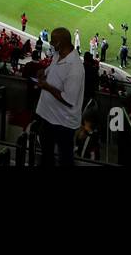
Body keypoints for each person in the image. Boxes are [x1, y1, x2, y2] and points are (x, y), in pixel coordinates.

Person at [34, 27, 84, 167]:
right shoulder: (58, 54)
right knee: (46, 155)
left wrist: (47, 87)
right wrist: (44, 72)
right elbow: (52, 70)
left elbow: (69, 100)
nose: (50, 43)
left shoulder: (75, 68)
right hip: (48, 117)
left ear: (60, 43)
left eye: (53, 41)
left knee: (65, 159)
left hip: (63, 123)